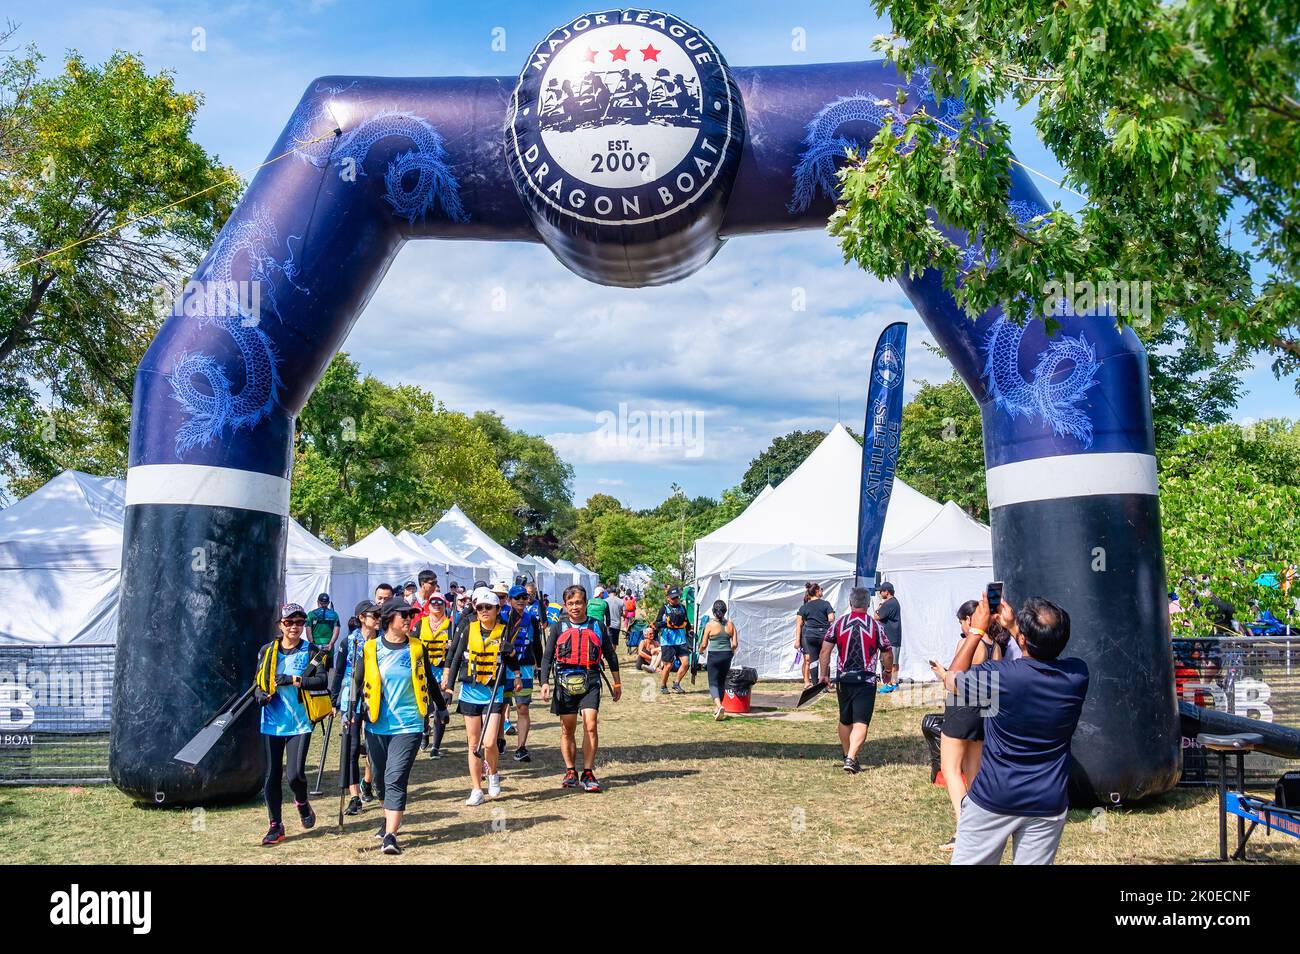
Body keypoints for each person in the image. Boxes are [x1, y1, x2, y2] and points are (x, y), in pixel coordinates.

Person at [933, 594, 1089, 865]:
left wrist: (976, 631)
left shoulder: (1001, 677)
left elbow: (952, 680)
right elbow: (1040, 652)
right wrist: (1015, 628)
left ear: (1024, 641)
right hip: (1047, 799)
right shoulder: (1077, 676)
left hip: (995, 796)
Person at [361, 596, 433, 856]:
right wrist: (346, 707)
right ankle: (387, 816)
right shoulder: (371, 648)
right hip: (376, 724)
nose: (409, 620)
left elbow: (429, 679)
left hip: (409, 724)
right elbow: (360, 680)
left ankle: (390, 835)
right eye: (404, 616)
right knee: (379, 779)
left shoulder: (416, 647)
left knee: (395, 778)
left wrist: (441, 706)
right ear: (390, 619)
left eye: (410, 615)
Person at [929, 600, 1002, 851]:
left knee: (950, 769)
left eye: (961, 621)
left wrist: (942, 673)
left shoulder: (968, 642)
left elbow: (955, 680)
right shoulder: (996, 647)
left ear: (970, 620)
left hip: (962, 707)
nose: (961, 627)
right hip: (986, 709)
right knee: (974, 773)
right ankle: (979, 826)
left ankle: (964, 830)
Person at [254, 603, 328, 846]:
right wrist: (259, 695)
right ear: (280, 625)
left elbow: (320, 681)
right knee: (272, 774)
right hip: (273, 721)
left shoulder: (312, 651)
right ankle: (275, 825)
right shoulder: (268, 651)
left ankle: (302, 802)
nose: (294, 627)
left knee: (295, 775)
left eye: (299, 622)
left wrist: (293, 680)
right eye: (289, 622)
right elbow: (258, 682)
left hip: (300, 721)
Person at [538, 584, 622, 792]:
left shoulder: (597, 626)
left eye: (578, 603)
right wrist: (545, 683)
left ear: (586, 603)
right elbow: (547, 657)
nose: (575, 607)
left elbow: (610, 656)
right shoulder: (558, 627)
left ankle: (588, 771)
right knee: (568, 728)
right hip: (565, 681)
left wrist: (617, 682)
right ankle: (570, 771)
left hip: (590, 679)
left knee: (590, 725)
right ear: (565, 606)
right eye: (571, 603)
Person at [442, 589, 512, 806]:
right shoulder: (467, 629)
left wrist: (510, 654)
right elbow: (454, 658)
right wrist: (449, 686)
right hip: (471, 692)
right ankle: (476, 789)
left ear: (497, 610)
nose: (483, 611)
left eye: (488, 607)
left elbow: (512, 658)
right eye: (480, 607)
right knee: (474, 743)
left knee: (489, 741)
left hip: (493, 692)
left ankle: (493, 773)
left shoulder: (504, 630)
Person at [817, 586, 892, 774]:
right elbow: (887, 651)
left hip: (843, 679)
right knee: (861, 721)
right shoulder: (876, 626)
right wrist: (888, 671)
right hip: (866, 680)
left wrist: (823, 675)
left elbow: (825, 650)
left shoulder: (838, 624)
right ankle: (851, 757)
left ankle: (846, 755)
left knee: (845, 719)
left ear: (850, 603)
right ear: (868, 604)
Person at [331, 600, 380, 815]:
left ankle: (367, 782)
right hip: (350, 697)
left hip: (373, 697)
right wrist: (333, 701)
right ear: (362, 618)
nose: (378, 619)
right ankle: (354, 797)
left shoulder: (382, 641)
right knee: (350, 748)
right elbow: (339, 671)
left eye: (379, 615)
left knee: (372, 747)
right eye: (373, 615)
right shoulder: (348, 642)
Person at [504, 585, 544, 762]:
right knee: (501, 706)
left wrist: (541, 668)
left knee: (522, 707)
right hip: (504, 669)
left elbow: (537, 645)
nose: (521, 600)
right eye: (516, 597)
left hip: (526, 668)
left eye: (524, 597)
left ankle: (521, 747)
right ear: (510, 600)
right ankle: (499, 740)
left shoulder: (532, 620)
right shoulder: (502, 618)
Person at [415, 592, 453, 759]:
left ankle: (435, 748)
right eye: (433, 602)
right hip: (423, 671)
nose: (437, 605)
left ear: (445, 605)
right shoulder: (420, 624)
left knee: (440, 709)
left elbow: (455, 652)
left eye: (440, 603)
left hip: (442, 672)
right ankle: (424, 732)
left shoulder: (451, 625)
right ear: (428, 605)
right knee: (424, 708)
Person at [697, 599, 738, 720]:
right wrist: (731, 652)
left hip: (714, 655)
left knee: (713, 682)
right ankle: (718, 708)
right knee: (722, 681)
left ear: (713, 611)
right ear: (725, 611)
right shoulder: (730, 624)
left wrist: (700, 651)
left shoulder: (709, 625)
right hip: (727, 655)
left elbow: (704, 644)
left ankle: (719, 706)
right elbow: (735, 644)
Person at [650, 586, 693, 694]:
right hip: (668, 640)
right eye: (673, 598)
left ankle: (676, 683)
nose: (675, 599)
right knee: (668, 665)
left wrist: (690, 631)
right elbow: (657, 623)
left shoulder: (682, 608)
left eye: (677, 597)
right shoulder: (664, 608)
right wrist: (664, 624)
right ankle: (663, 686)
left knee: (686, 663)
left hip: (681, 640)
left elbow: (686, 622)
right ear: (668, 598)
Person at [794, 582, 835, 689]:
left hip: (810, 635)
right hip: (824, 634)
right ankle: (825, 684)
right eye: (821, 589)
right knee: (825, 658)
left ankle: (816, 685)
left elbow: (799, 625)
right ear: (817, 591)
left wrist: (797, 641)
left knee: (813, 660)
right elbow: (831, 618)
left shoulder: (804, 607)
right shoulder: (826, 604)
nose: (822, 591)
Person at [874, 582, 902, 691]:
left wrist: (880, 606)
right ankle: (894, 683)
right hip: (894, 636)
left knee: (890, 662)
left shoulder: (889, 603)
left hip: (891, 637)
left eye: (881, 591)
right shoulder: (894, 602)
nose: (880, 593)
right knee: (893, 662)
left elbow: (876, 616)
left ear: (887, 592)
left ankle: (890, 684)